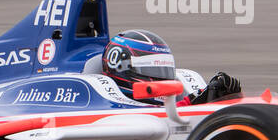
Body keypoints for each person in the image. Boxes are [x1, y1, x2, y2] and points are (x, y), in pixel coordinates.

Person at [101, 30, 241, 105]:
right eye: (151, 69)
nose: (162, 77)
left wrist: (216, 100)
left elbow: (167, 113)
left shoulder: (169, 103)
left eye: (164, 69)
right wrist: (193, 103)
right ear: (121, 69)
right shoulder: (106, 111)